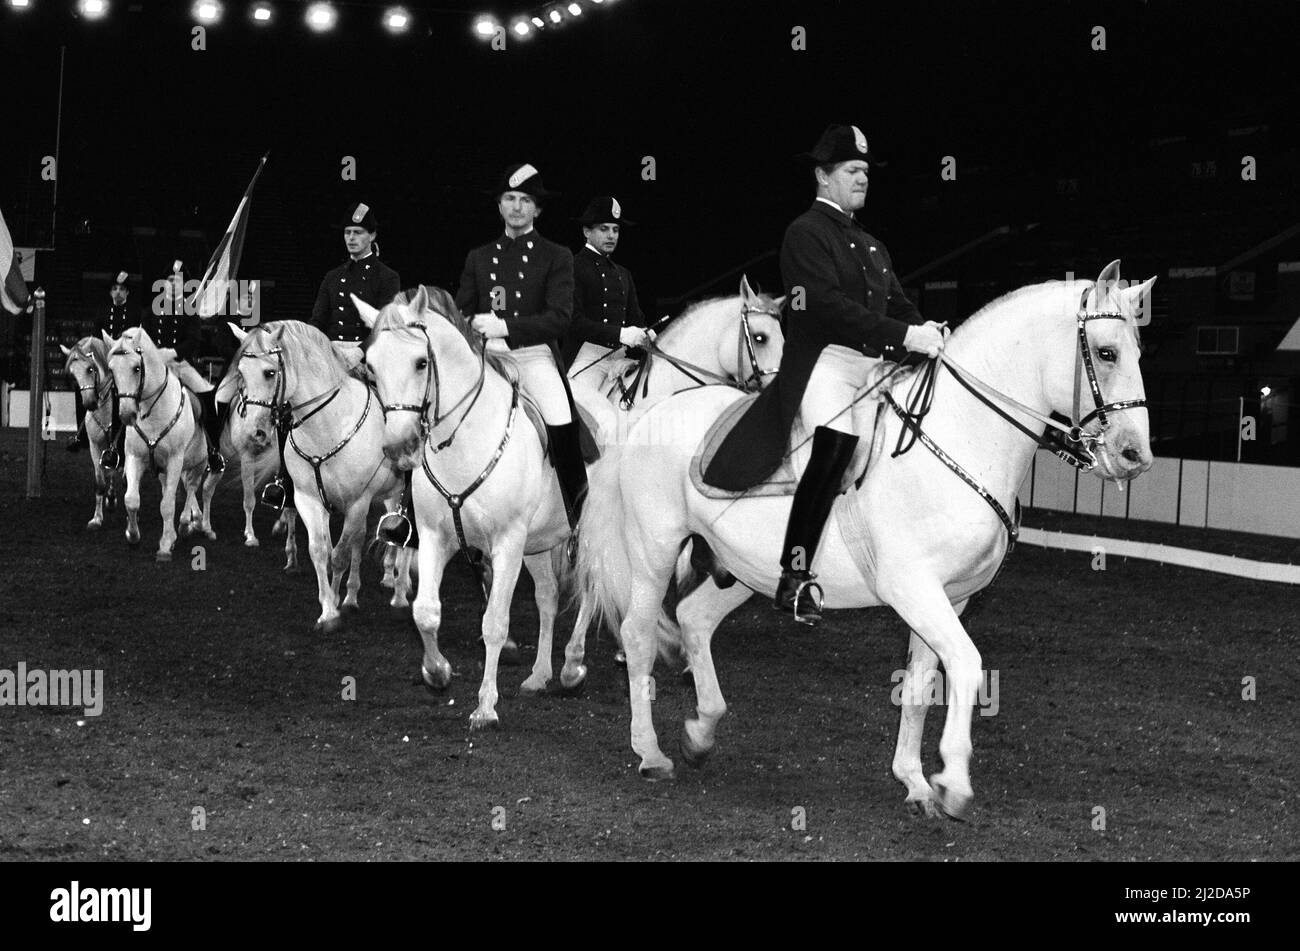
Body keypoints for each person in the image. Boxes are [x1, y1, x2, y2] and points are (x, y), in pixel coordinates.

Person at [703, 124, 947, 625]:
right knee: (837, 444)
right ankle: (795, 574)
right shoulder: (805, 232)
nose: (862, 179)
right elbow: (826, 307)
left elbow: (898, 302)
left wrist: (927, 328)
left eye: (864, 172)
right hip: (825, 361)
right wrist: (904, 336)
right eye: (852, 171)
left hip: (871, 365)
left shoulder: (872, 244)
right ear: (822, 175)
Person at [455, 162, 587, 527]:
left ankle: (579, 520)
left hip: (533, 356)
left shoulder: (556, 256)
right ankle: (412, 519)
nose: (516, 207)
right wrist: (466, 325)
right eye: (509, 198)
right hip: (486, 356)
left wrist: (505, 326)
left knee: (562, 421)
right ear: (499, 205)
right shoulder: (479, 257)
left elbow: (560, 318)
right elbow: (460, 311)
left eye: (525, 200)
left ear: (537, 209)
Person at [142, 261, 227, 473]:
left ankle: (214, 451)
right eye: (170, 280)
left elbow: (194, 341)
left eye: (177, 281)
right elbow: (143, 339)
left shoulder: (189, 311)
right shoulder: (151, 311)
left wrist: (173, 352)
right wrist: (154, 354)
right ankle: (118, 449)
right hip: (154, 367)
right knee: (128, 393)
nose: (172, 284)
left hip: (180, 365)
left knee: (208, 396)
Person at [563, 196, 653, 391]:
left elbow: (636, 318)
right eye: (604, 229)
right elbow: (574, 322)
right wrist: (621, 334)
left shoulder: (623, 273)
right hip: (587, 358)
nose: (611, 235)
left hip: (620, 357)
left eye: (615, 229)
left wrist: (647, 334)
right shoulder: (572, 267)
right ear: (587, 231)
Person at [311, 202, 402, 368]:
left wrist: (360, 351)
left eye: (358, 232)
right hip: (331, 355)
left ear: (372, 236)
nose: (351, 238)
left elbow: (384, 326)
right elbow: (317, 321)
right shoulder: (333, 277)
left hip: (369, 357)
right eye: (347, 232)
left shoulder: (387, 277)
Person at [69, 269, 140, 457]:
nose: (118, 292)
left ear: (127, 293)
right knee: (82, 387)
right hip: (104, 360)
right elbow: (95, 339)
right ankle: (81, 434)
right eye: (114, 289)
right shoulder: (102, 312)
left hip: (124, 362)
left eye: (122, 289)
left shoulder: (134, 313)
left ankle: (121, 438)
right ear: (110, 292)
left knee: (122, 391)